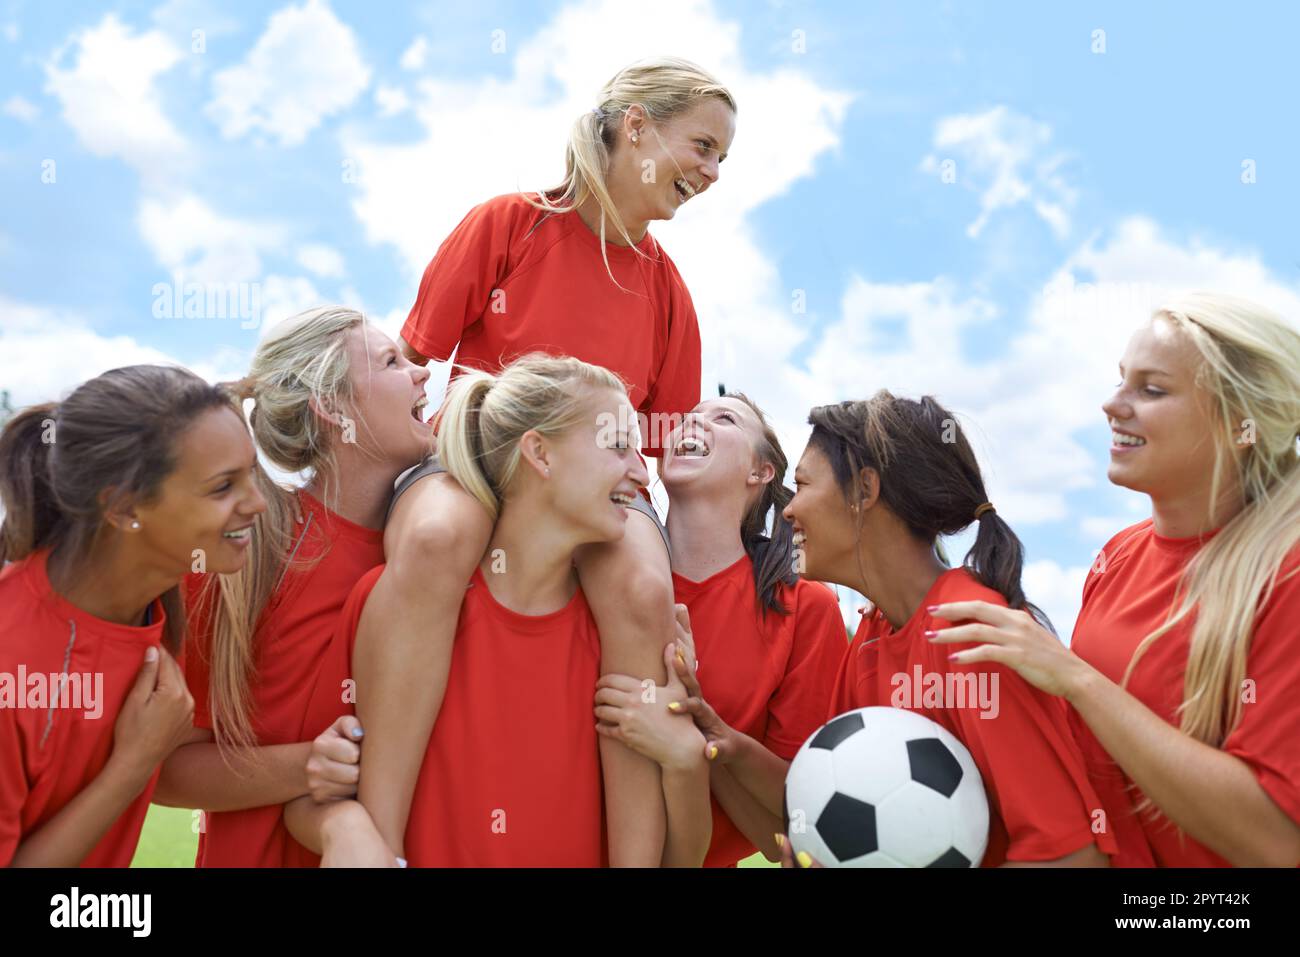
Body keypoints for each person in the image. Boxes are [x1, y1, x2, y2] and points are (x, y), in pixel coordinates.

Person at [352, 57, 736, 865]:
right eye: (702, 146)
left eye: (720, 160)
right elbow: (415, 368)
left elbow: (657, 449)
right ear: (637, 125)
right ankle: (375, 839)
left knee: (638, 584)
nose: (710, 173)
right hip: (474, 464)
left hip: (602, 492)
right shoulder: (507, 224)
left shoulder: (670, 293)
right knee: (432, 541)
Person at [285, 354, 709, 866]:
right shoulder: (396, 605)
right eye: (619, 446)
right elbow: (311, 800)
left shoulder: (619, 654)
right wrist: (348, 827)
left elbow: (680, 859)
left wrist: (687, 758)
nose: (642, 472)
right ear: (540, 454)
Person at [927, 292, 1300, 866]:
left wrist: (1077, 679)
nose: (1112, 404)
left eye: (1152, 390)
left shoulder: (1287, 570)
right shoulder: (1117, 557)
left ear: (1239, 424)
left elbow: (1278, 840)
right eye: (1121, 380)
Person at [781, 392, 1115, 867]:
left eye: (801, 484)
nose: (789, 510)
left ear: (864, 489)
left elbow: (1073, 857)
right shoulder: (873, 639)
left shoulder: (972, 630)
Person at [153, 307, 432, 866]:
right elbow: (165, 770)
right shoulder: (242, 557)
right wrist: (307, 762)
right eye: (391, 361)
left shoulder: (435, 561)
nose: (423, 372)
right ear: (331, 407)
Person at [0, 365, 262, 866]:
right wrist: (136, 762)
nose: (257, 504)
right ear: (123, 509)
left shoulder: (160, 596)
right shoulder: (13, 659)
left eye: (251, 474)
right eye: (223, 487)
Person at [594, 394, 847, 866]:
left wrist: (700, 729)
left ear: (761, 472)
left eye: (724, 418)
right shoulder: (601, 568)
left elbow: (783, 834)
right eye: (688, 418)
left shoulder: (805, 609)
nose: (694, 423)